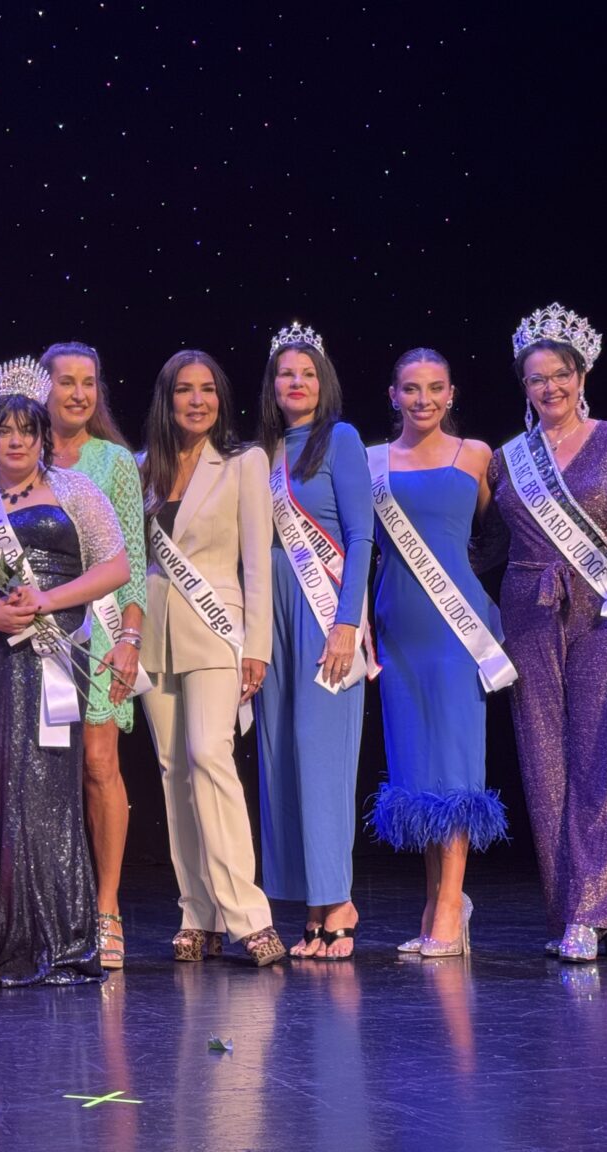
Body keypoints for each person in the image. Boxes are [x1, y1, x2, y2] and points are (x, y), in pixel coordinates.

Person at [0, 357, 130, 986]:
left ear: (43, 434)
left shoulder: (77, 492)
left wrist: (47, 600)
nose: (15, 441)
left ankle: (62, 937)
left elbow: (117, 567)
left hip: (53, 651)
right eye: (4, 430)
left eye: (26, 430)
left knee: (48, 784)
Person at [478, 304, 607, 961]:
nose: (549, 388)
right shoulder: (506, 460)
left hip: (604, 609)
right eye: (536, 378)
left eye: (560, 375)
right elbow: (487, 544)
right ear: (524, 386)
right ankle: (571, 910)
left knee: (601, 754)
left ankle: (601, 910)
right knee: (545, 761)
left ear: (582, 376)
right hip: (528, 608)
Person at [137, 350, 286, 967]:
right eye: (184, 390)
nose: (196, 401)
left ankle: (248, 914)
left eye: (207, 390)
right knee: (174, 769)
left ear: (221, 399)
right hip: (153, 635)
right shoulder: (143, 468)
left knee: (209, 756)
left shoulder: (245, 462)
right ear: (166, 399)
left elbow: (257, 559)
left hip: (217, 630)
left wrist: (257, 646)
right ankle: (197, 912)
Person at [366, 350, 509, 958]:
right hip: (398, 628)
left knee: (454, 764)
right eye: (410, 388)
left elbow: (500, 534)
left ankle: (451, 903)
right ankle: (435, 902)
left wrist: (465, 576)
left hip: (457, 628)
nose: (423, 399)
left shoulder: (475, 454)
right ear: (393, 395)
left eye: (435, 388)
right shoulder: (371, 462)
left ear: (451, 394)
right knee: (417, 769)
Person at [255, 324, 373, 959]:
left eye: (307, 373)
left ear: (322, 382)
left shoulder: (342, 439)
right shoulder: (262, 452)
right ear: (272, 386)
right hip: (269, 613)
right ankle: (310, 901)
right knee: (281, 757)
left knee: (321, 753)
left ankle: (338, 900)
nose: (296, 383)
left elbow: (360, 536)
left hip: (323, 610)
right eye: (285, 374)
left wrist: (346, 623)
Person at [40, 341, 146, 969]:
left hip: (100, 635)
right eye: (66, 381)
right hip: (36, 633)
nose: (78, 393)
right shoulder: (18, 455)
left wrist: (131, 638)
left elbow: (132, 557)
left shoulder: (114, 461)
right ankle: (51, 909)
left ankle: (107, 910)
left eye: (89, 382)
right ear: (43, 388)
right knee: (42, 771)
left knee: (100, 765)